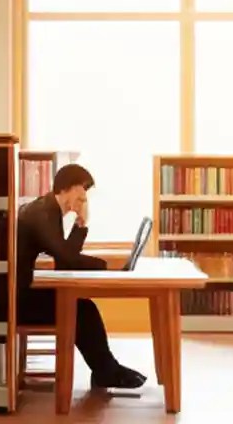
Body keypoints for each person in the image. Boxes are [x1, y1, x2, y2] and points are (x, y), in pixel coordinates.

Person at [16, 163, 148, 390]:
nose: (84, 196)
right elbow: (67, 258)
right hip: (17, 302)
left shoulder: (46, 209)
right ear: (66, 188)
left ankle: (105, 370)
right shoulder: (44, 213)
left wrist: (80, 227)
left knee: (84, 309)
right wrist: (85, 229)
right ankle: (106, 371)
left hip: (19, 294)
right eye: (81, 189)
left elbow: (64, 258)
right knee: (83, 310)